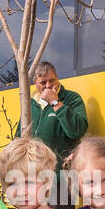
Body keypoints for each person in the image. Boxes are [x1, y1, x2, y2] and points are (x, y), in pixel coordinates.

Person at [27, 60, 88, 194]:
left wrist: (55, 102)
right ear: (35, 83)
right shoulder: (30, 105)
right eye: (43, 82)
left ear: (58, 79)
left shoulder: (72, 99)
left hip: (61, 180)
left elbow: (77, 131)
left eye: (52, 80)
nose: (48, 86)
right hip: (35, 180)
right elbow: (20, 136)